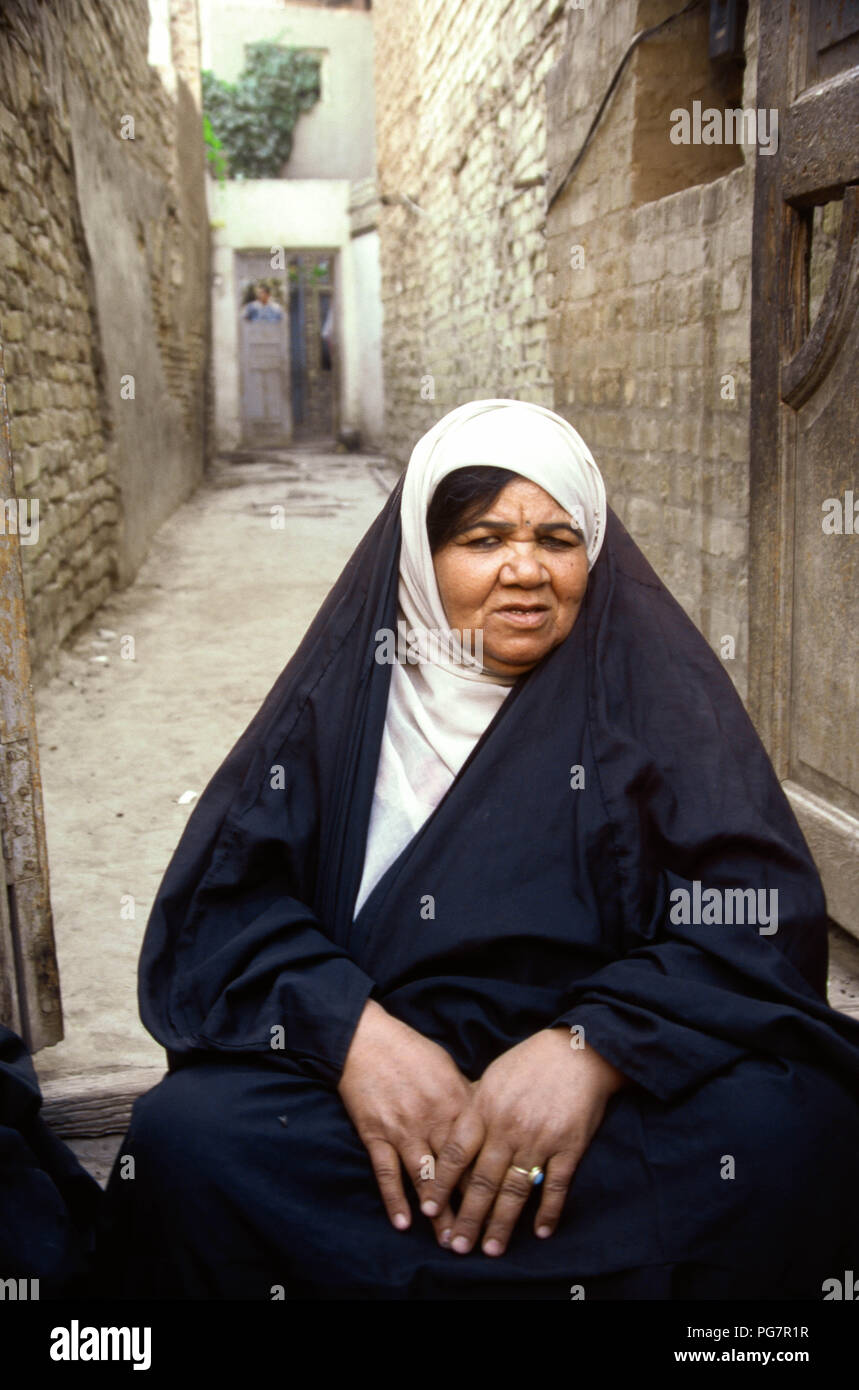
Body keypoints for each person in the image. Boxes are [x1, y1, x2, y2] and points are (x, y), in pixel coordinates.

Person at [99, 400, 859, 1300]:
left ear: (595, 552)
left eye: (558, 538)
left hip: (597, 1103)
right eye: (482, 538)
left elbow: (755, 916)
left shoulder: (656, 700)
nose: (526, 571)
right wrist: (352, 1035)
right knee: (190, 1141)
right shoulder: (343, 713)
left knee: (789, 1130)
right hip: (377, 1105)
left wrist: (593, 1047)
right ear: (421, 560)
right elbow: (224, 917)